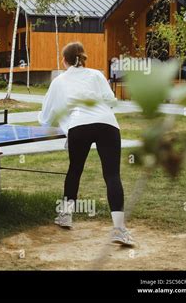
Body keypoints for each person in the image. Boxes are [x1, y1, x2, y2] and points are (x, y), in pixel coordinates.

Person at [38, 41, 135, 246]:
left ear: (64, 60)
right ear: (82, 57)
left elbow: (46, 115)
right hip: (107, 123)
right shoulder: (97, 74)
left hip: (78, 125)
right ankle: (119, 229)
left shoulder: (59, 81)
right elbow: (111, 100)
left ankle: (66, 215)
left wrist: (49, 123)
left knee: (75, 170)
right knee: (112, 174)